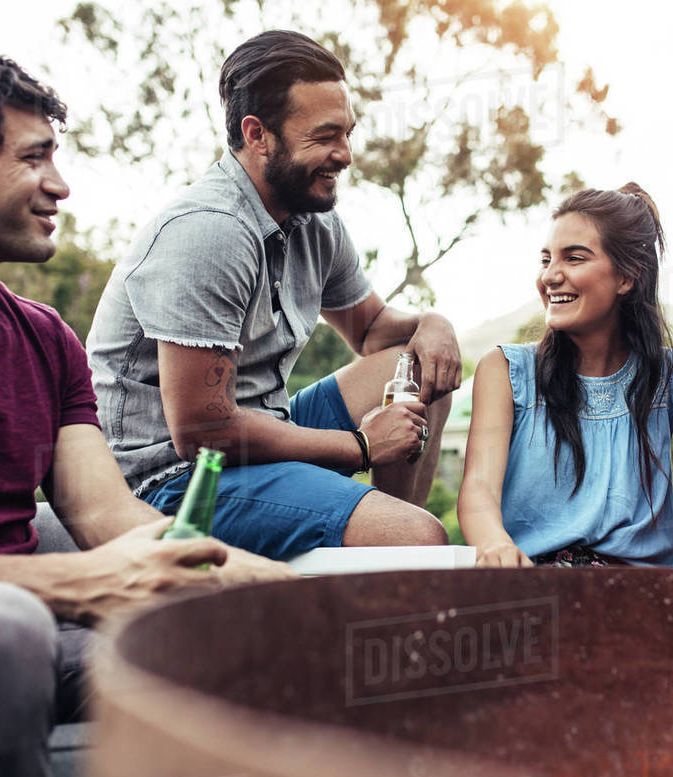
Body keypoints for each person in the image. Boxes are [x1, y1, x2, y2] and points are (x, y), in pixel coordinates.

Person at [0, 48, 294, 777]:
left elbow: (107, 516)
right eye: (34, 159)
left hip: (25, 625)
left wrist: (277, 593)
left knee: (235, 644)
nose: (61, 184)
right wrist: (68, 586)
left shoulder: (45, 338)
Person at [86, 30, 461, 560]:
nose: (345, 155)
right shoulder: (208, 232)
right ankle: (388, 547)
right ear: (257, 134)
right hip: (171, 479)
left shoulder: (312, 220)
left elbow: (373, 330)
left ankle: (372, 550)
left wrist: (435, 323)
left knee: (414, 366)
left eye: (348, 134)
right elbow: (202, 431)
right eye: (325, 136)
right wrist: (360, 447)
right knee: (419, 538)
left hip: (261, 437)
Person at [457, 184, 673, 568]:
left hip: (648, 597)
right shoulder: (505, 370)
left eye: (574, 259)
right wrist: (495, 544)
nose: (550, 275)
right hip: (541, 587)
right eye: (546, 259)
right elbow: (479, 489)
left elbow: (671, 514)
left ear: (627, 276)